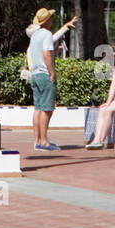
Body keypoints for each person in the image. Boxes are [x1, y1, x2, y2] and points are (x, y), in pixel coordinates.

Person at [29, 9, 76, 150]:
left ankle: (37, 140)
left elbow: (39, 53)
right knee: (47, 109)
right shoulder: (47, 34)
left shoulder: (35, 35)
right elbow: (46, 55)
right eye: (51, 18)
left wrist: (54, 52)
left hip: (35, 74)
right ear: (47, 21)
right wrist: (52, 73)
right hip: (44, 74)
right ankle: (44, 141)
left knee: (38, 108)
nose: (52, 20)